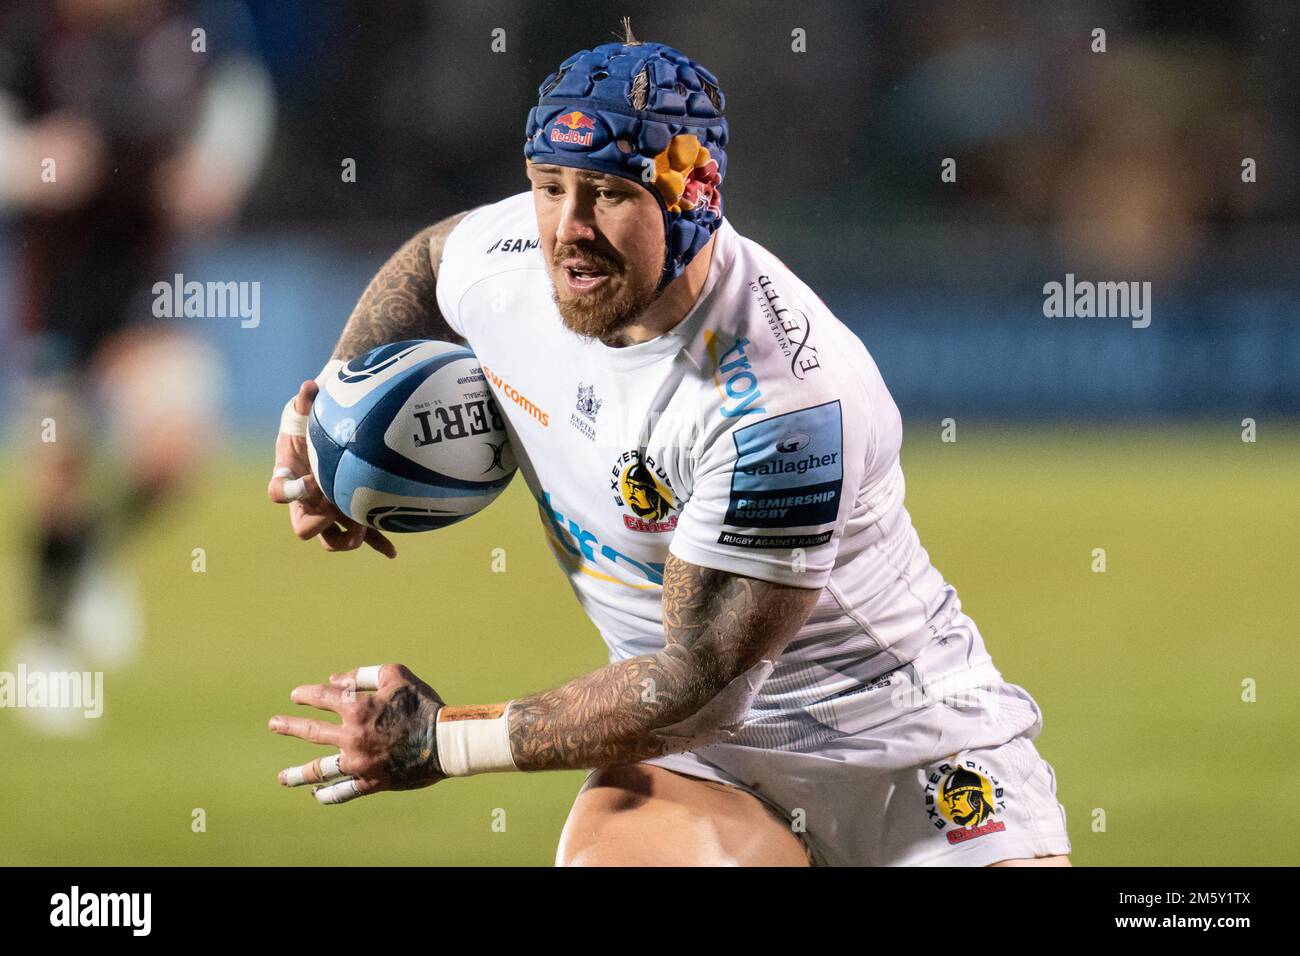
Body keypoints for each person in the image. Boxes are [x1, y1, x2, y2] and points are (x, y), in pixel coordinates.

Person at [267, 26, 1071, 867]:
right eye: (548, 186)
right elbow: (430, 262)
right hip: (702, 768)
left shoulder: (781, 399)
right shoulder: (513, 261)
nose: (565, 229)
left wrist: (443, 743)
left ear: (692, 196)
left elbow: (698, 684)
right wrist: (328, 421)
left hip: (909, 751)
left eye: (608, 193)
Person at [1, 0, 273, 732]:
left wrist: (215, 172)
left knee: (174, 455)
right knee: (58, 467)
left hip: (148, 280)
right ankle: (47, 644)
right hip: (55, 287)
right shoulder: (29, 30)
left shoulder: (189, 27)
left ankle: (92, 552)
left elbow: (238, 101)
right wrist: (35, 161)